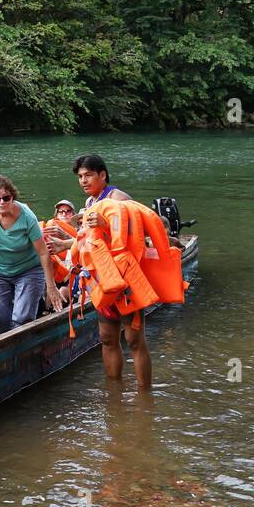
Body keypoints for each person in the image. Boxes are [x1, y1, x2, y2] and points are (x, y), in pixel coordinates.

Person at [63, 154, 152, 390]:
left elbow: (138, 235)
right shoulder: (90, 204)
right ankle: (115, 397)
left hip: (124, 279)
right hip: (101, 279)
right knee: (107, 338)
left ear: (102, 175)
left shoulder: (119, 198)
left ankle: (145, 397)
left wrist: (105, 225)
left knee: (134, 339)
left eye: (88, 175)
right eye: (80, 177)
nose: (83, 181)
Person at [0, 174, 65, 335]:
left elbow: (43, 253)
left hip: (28, 269)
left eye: (6, 198)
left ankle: (22, 350)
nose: (1, 202)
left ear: (12, 197)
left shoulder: (27, 217)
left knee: (22, 318)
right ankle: (3, 352)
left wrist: (51, 287)